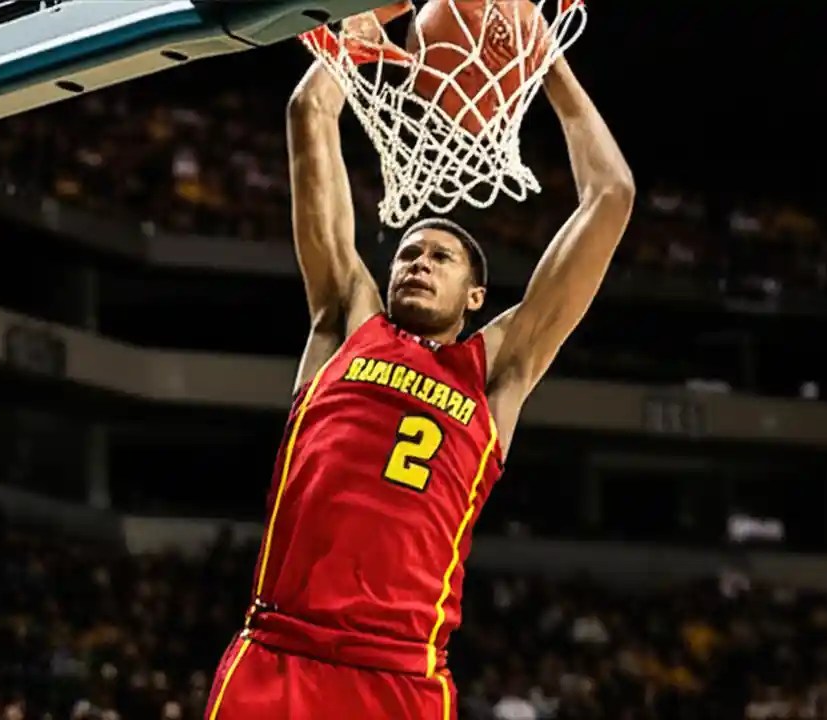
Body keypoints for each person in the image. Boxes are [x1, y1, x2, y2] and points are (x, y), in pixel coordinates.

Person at [205, 8, 634, 720]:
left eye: (440, 257)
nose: (417, 263)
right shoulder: (345, 322)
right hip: (279, 651)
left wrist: (544, 59)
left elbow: (612, 196)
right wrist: (356, 40)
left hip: (400, 674)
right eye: (407, 252)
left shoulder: (497, 369)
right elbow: (308, 110)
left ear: (475, 294)